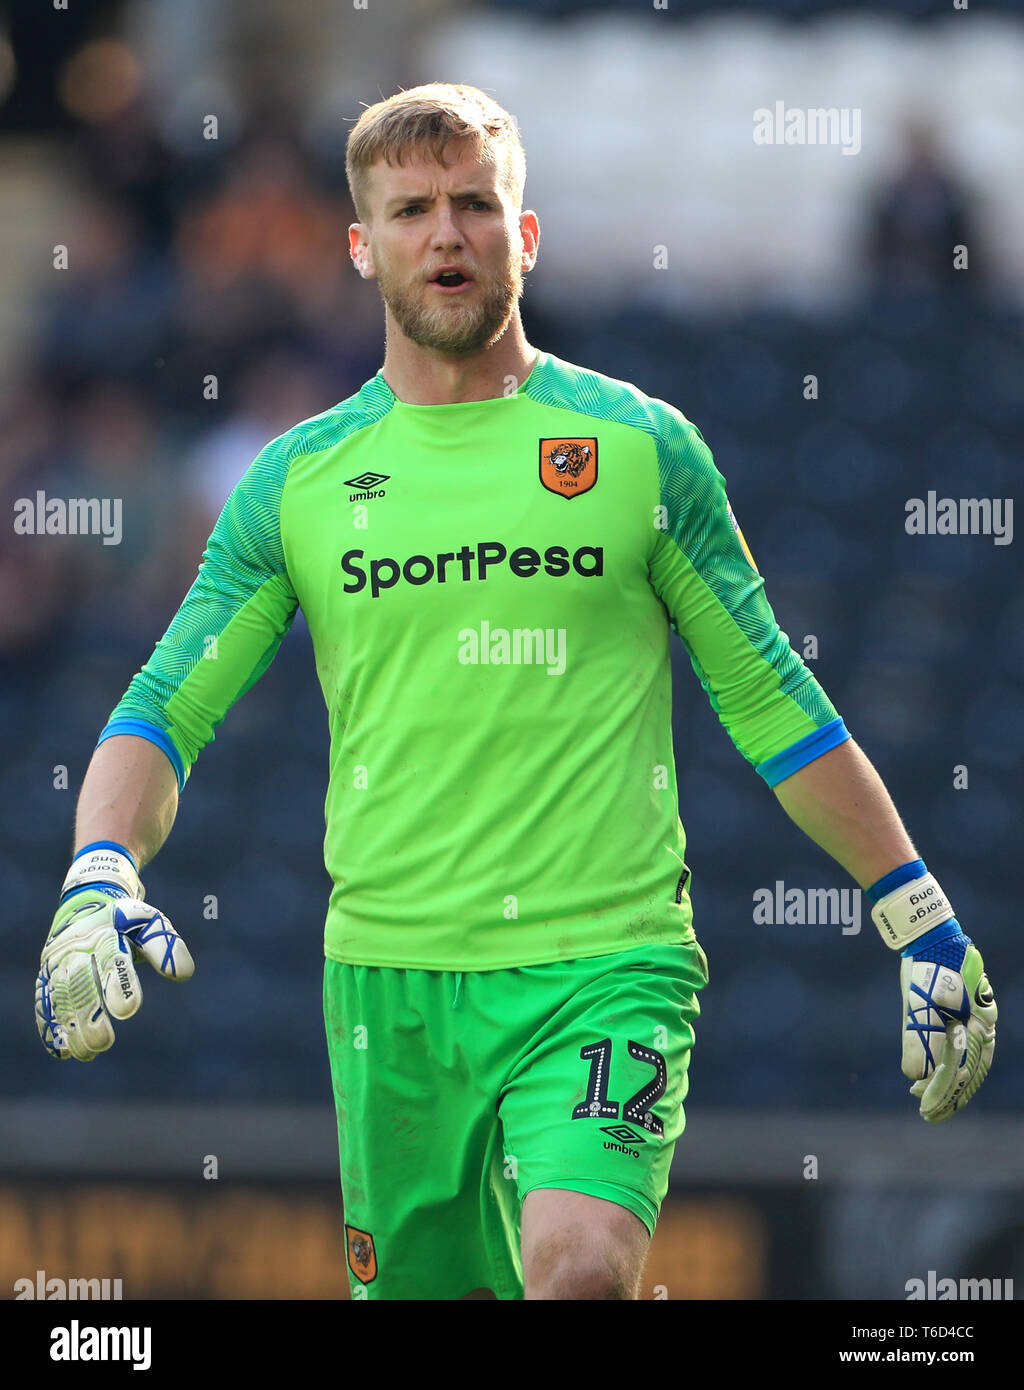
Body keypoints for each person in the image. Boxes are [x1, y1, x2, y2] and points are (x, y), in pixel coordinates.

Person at [36, 83, 997, 1302]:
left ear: (523, 236)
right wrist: (98, 869)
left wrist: (912, 905)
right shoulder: (298, 482)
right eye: (413, 210)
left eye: (477, 206)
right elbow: (165, 705)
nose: (447, 234)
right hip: (390, 985)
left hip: (605, 960)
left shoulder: (644, 450)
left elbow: (773, 701)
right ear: (361, 246)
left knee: (576, 1266)